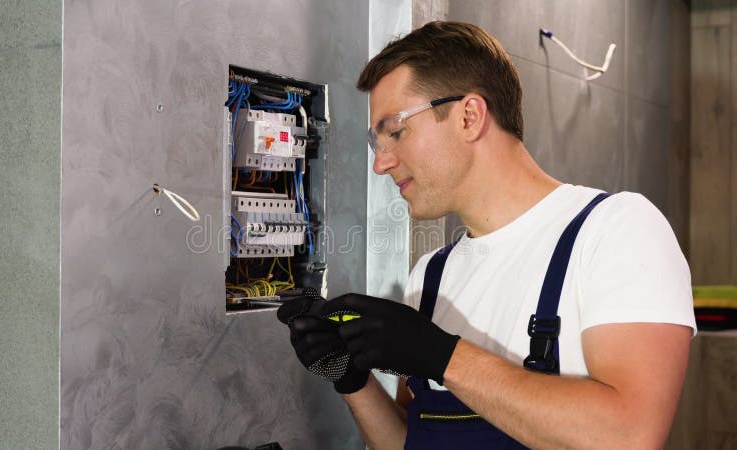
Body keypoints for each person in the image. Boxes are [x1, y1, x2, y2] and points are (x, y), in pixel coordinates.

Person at [278, 21, 695, 449]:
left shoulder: (616, 231)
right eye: (377, 142)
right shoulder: (431, 276)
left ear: (469, 117)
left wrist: (441, 356)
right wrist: (352, 381)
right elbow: (412, 441)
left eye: (396, 131)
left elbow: (631, 435)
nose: (380, 164)